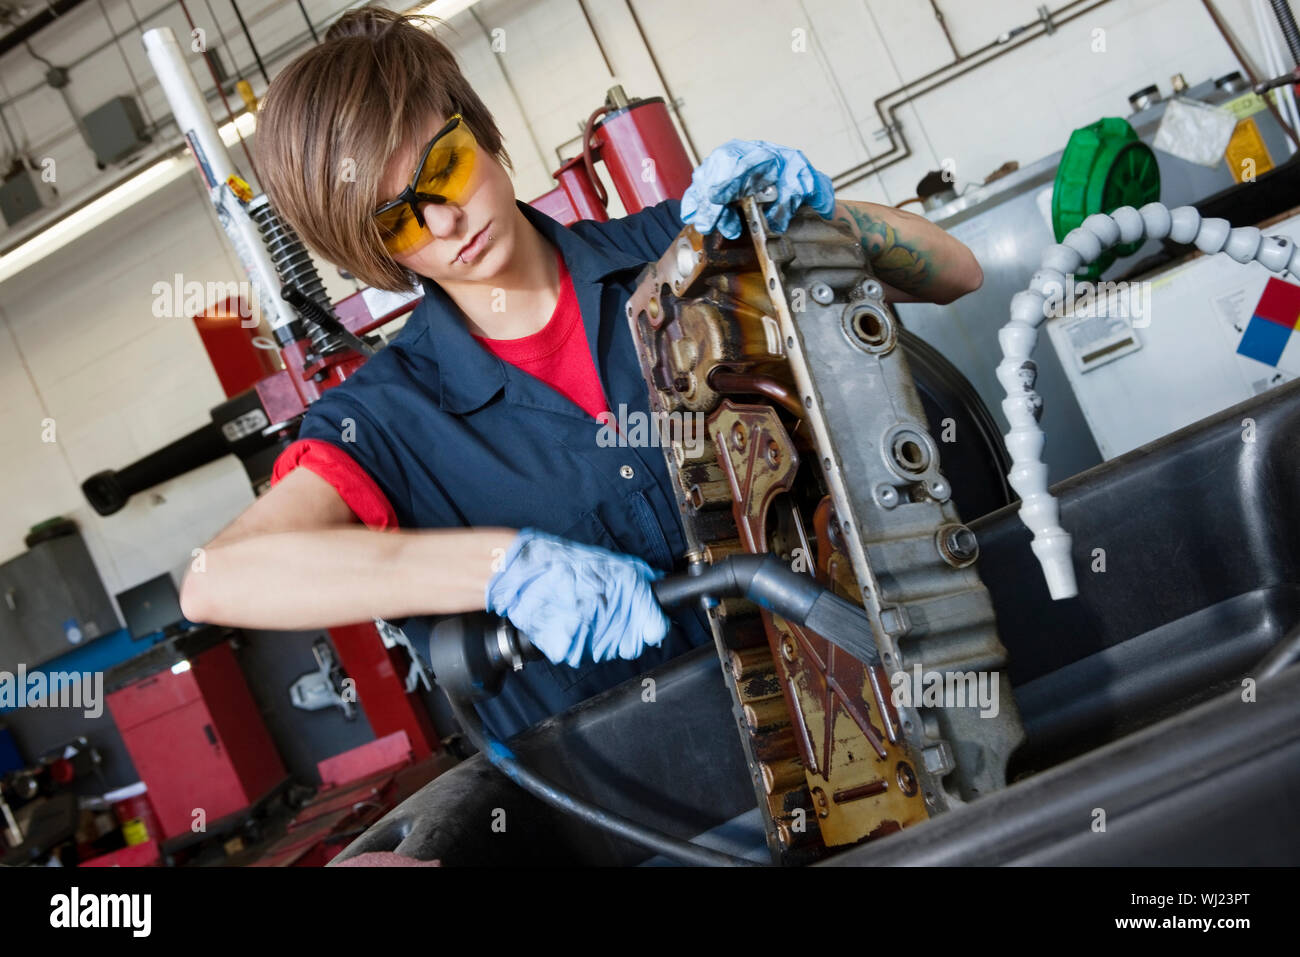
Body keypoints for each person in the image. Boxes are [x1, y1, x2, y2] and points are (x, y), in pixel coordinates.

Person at [178, 6, 983, 740]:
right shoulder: (388, 423)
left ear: (483, 132)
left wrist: (812, 216)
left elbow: (954, 271)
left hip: (890, 726)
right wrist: (502, 568)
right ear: (373, 247)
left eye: (446, 168)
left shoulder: (683, 249)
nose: (445, 221)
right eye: (399, 218)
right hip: (663, 823)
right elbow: (217, 580)